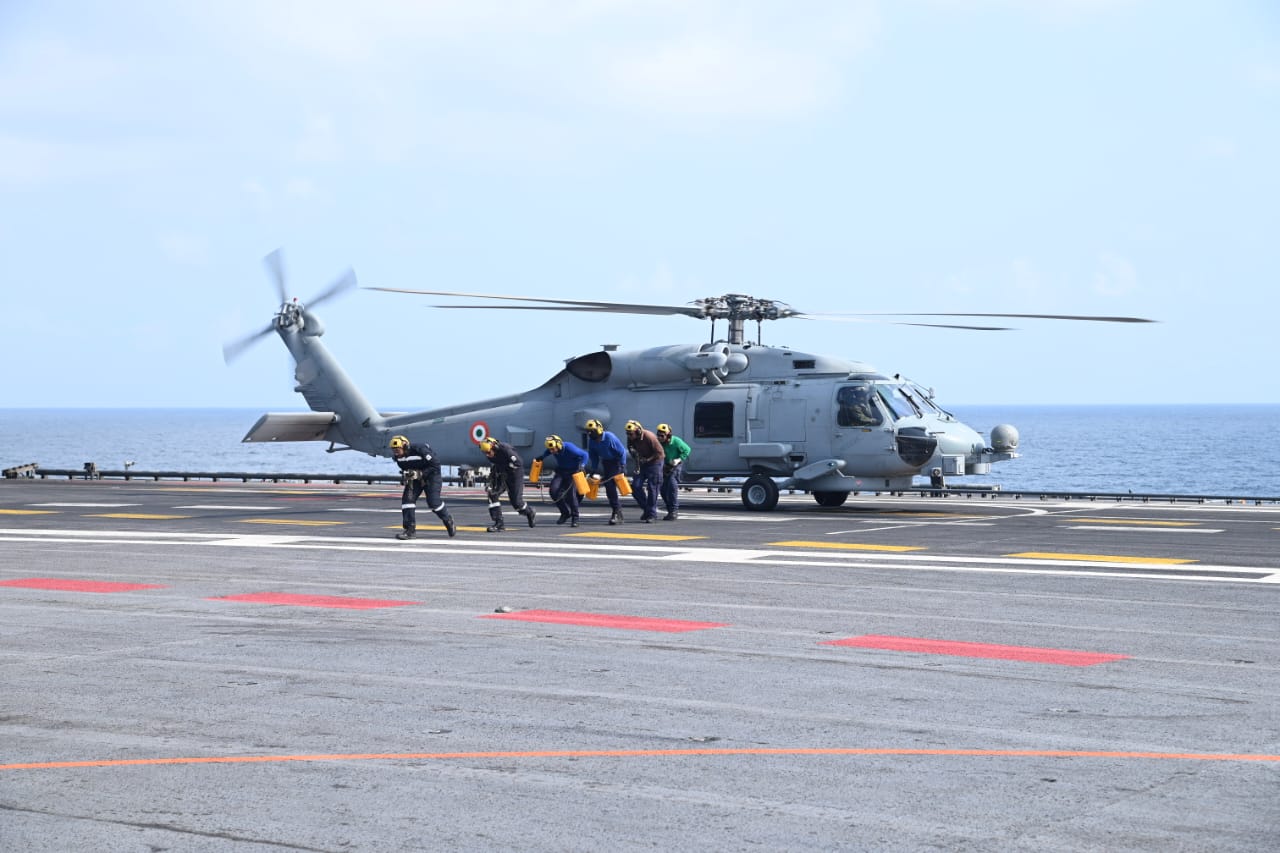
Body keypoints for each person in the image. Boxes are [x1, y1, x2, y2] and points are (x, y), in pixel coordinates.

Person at [389, 434, 456, 539]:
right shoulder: (397, 458)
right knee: (407, 501)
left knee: (433, 503)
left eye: (397, 449)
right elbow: (405, 467)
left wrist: (421, 473)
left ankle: (447, 519)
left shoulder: (420, 449)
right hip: (415, 478)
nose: (396, 452)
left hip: (432, 476)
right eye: (394, 450)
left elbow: (435, 464)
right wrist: (406, 475)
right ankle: (410, 530)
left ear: (405, 446)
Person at [479, 436, 536, 532]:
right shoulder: (490, 454)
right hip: (502, 473)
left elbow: (519, 463)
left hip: (514, 474)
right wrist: (492, 478)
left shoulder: (506, 450)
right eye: (485, 453)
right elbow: (496, 464)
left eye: (488, 452)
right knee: (492, 494)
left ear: (494, 447)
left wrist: (506, 466)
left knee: (517, 503)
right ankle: (499, 523)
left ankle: (529, 512)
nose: (487, 455)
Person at [537, 434, 590, 526]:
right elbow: (548, 451)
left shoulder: (570, 448)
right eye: (550, 449)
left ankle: (575, 517)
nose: (551, 451)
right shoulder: (553, 449)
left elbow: (585, 455)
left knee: (571, 495)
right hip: (561, 472)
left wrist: (582, 466)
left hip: (573, 472)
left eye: (553, 449)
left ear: (559, 445)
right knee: (553, 491)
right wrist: (542, 457)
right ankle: (565, 513)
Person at [584, 418, 628, 525]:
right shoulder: (592, 441)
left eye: (592, 431)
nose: (590, 434)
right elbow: (594, 456)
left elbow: (622, 452)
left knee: (610, 485)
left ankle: (617, 512)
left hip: (616, 462)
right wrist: (593, 469)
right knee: (609, 487)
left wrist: (622, 466)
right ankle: (617, 511)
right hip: (607, 463)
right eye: (588, 432)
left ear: (599, 429)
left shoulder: (609, 437)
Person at [624, 419, 664, 523]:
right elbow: (630, 448)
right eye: (627, 434)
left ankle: (652, 514)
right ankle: (647, 509)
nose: (629, 436)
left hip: (655, 462)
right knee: (635, 486)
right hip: (642, 463)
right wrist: (636, 457)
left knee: (652, 487)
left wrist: (648, 459)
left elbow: (660, 453)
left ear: (638, 431)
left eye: (631, 434)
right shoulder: (631, 438)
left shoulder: (649, 436)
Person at [655, 423, 691, 520]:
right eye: (658, 435)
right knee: (662, 488)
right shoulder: (658, 443)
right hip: (664, 465)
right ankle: (670, 510)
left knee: (671, 484)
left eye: (662, 436)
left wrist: (679, 459)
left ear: (668, 435)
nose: (659, 438)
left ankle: (674, 511)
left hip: (675, 464)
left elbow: (687, 450)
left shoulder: (676, 441)